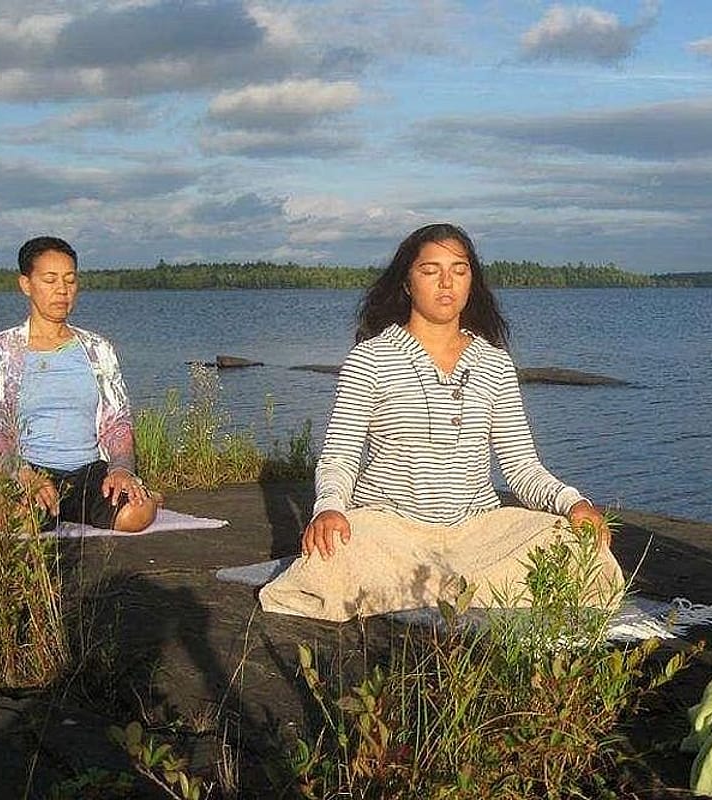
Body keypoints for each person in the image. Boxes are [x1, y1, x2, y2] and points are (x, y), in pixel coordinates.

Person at [259, 223, 623, 622]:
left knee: (582, 549)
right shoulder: (371, 359)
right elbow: (339, 456)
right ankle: (460, 588)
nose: (446, 282)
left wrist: (573, 503)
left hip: (478, 534)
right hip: (389, 532)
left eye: (459, 270)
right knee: (329, 560)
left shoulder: (495, 363)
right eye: (430, 270)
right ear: (407, 283)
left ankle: (425, 587)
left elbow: (521, 467)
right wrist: (328, 510)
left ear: (472, 282)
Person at [0, 236, 157, 532]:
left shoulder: (98, 348)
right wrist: (21, 473)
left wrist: (121, 469)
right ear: (26, 284)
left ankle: (77, 507)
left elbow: (117, 422)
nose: (62, 289)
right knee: (22, 520)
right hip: (27, 471)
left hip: (88, 472)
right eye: (50, 280)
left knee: (137, 514)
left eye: (70, 280)